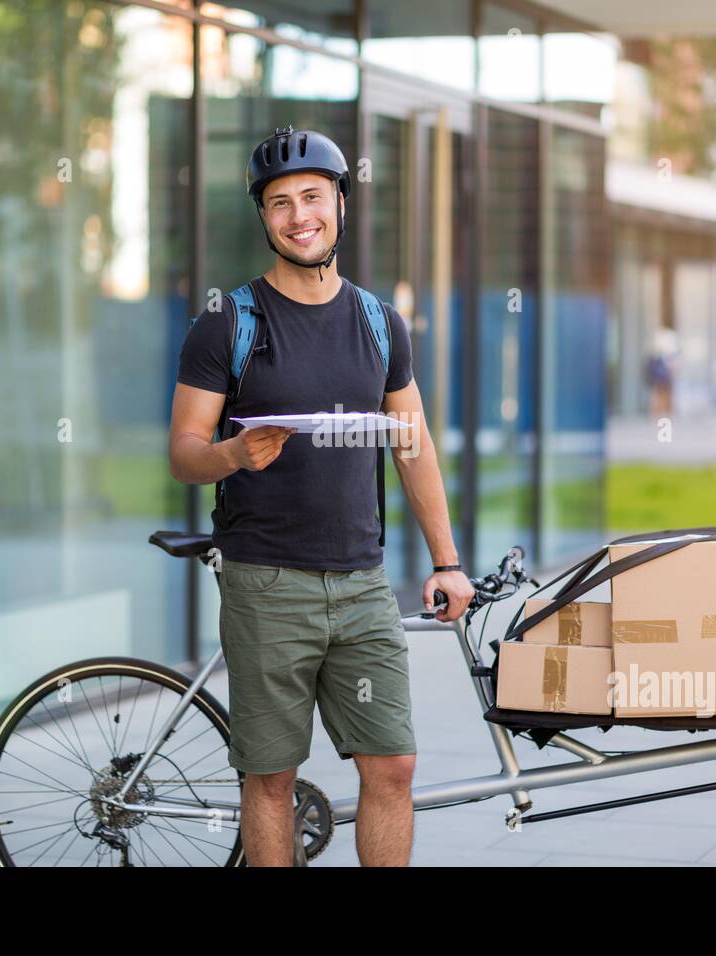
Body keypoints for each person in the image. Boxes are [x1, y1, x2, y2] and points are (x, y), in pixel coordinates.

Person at [169, 127, 474, 867]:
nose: (298, 215)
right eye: (280, 203)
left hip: (363, 583)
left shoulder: (378, 322)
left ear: (339, 202)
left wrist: (447, 560)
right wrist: (235, 453)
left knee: (392, 766)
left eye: (312, 196)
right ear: (263, 217)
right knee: (271, 778)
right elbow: (183, 453)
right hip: (267, 582)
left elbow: (413, 443)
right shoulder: (228, 323)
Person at [644, 327, 677, 418]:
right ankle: (659, 413)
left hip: (660, 378)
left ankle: (659, 413)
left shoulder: (661, 353)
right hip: (661, 378)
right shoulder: (662, 354)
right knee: (659, 396)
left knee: (659, 396)